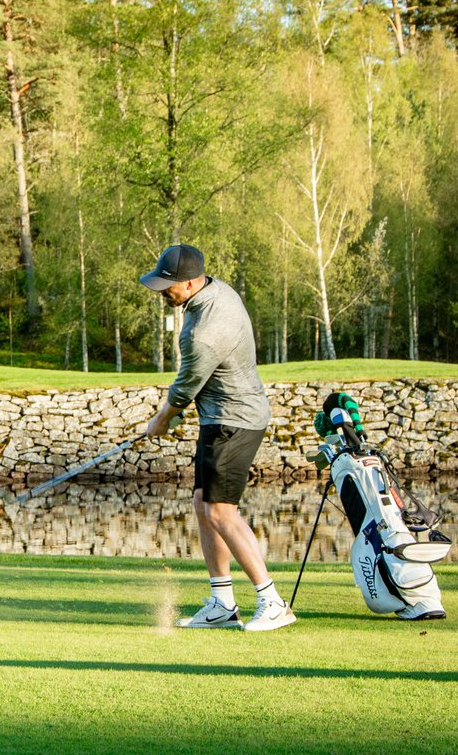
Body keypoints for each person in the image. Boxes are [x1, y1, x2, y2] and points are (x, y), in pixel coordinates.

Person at [139, 243, 293, 631]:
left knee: (221, 512)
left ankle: (272, 601)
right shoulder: (215, 291)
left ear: (190, 283)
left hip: (233, 422)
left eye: (168, 286)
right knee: (202, 504)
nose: (162, 293)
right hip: (221, 418)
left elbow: (187, 385)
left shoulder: (206, 330)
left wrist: (162, 419)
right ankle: (222, 602)